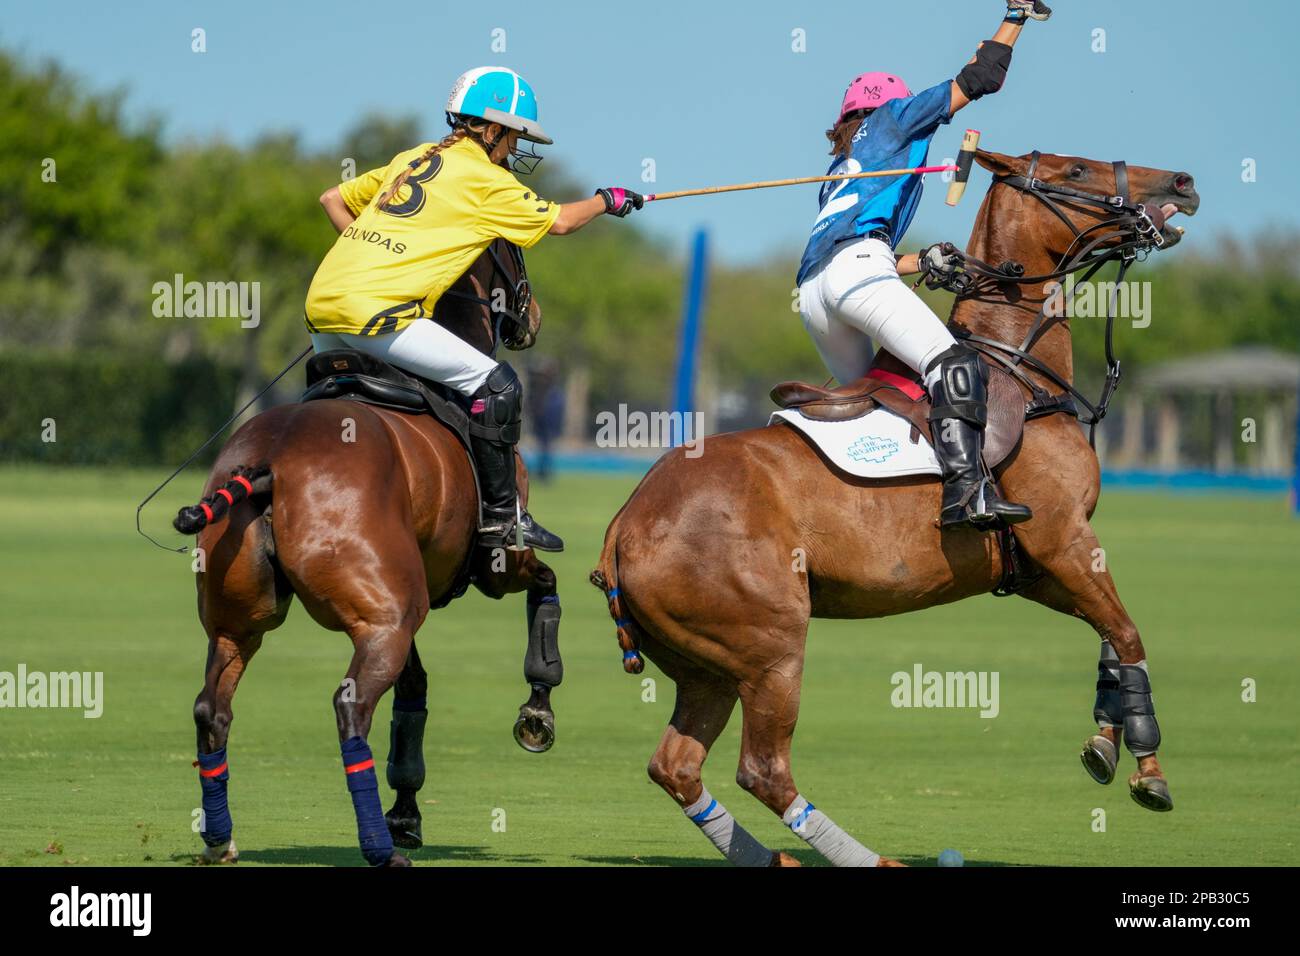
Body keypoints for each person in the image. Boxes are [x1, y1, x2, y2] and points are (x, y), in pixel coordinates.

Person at [304, 66, 644, 552]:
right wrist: (606, 200)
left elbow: (332, 198)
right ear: (491, 129)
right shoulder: (486, 180)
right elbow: (564, 222)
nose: (516, 149)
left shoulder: (414, 157)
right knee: (498, 384)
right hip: (377, 315)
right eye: (514, 136)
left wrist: (377, 259)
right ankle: (506, 520)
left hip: (322, 306)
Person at [794, 1, 1051, 528]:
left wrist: (921, 260)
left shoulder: (841, 167)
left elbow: (855, 247)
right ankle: (966, 494)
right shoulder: (894, 120)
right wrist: (1016, 19)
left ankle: (859, 505)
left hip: (816, 292)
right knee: (950, 363)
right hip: (856, 275)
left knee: (874, 398)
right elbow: (980, 78)